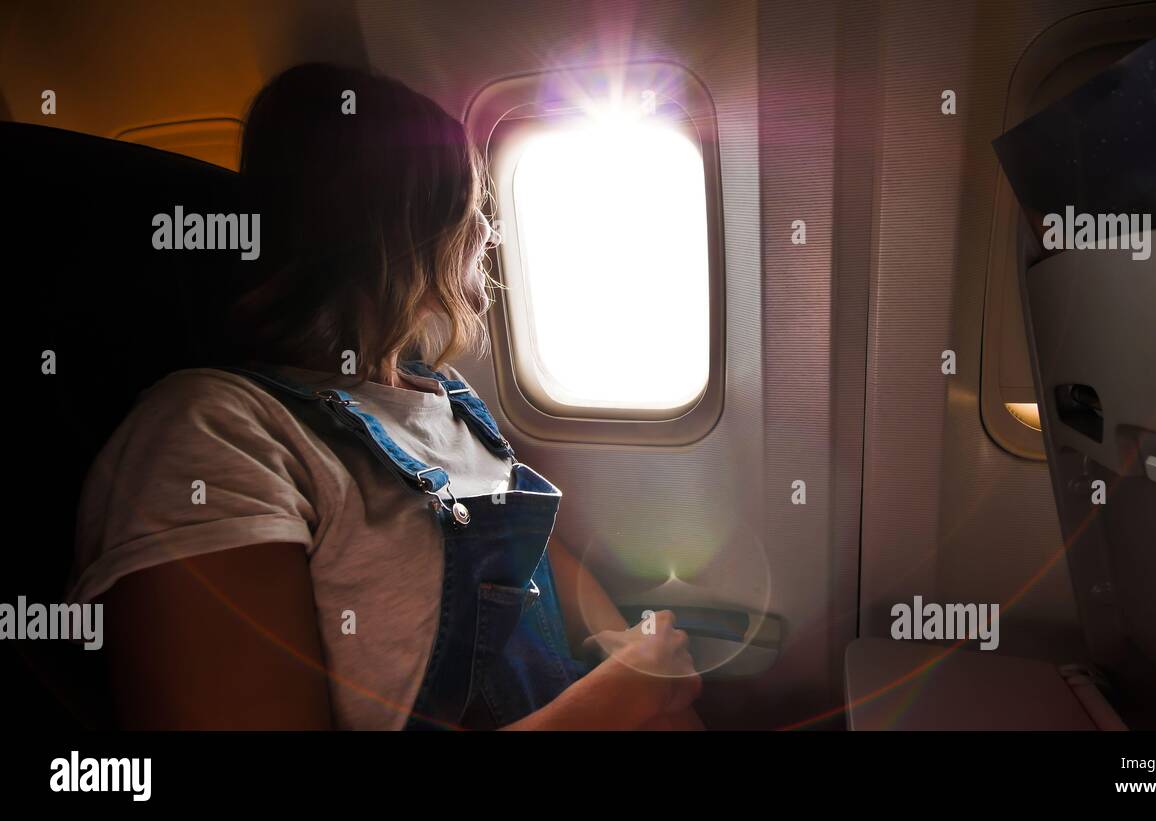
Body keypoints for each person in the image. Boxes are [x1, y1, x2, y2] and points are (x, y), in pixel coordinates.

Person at [69, 63, 703, 730]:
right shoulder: (214, 434)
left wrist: (630, 655)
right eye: (468, 203)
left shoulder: (445, 398)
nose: (488, 231)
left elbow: (542, 563)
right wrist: (618, 697)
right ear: (403, 227)